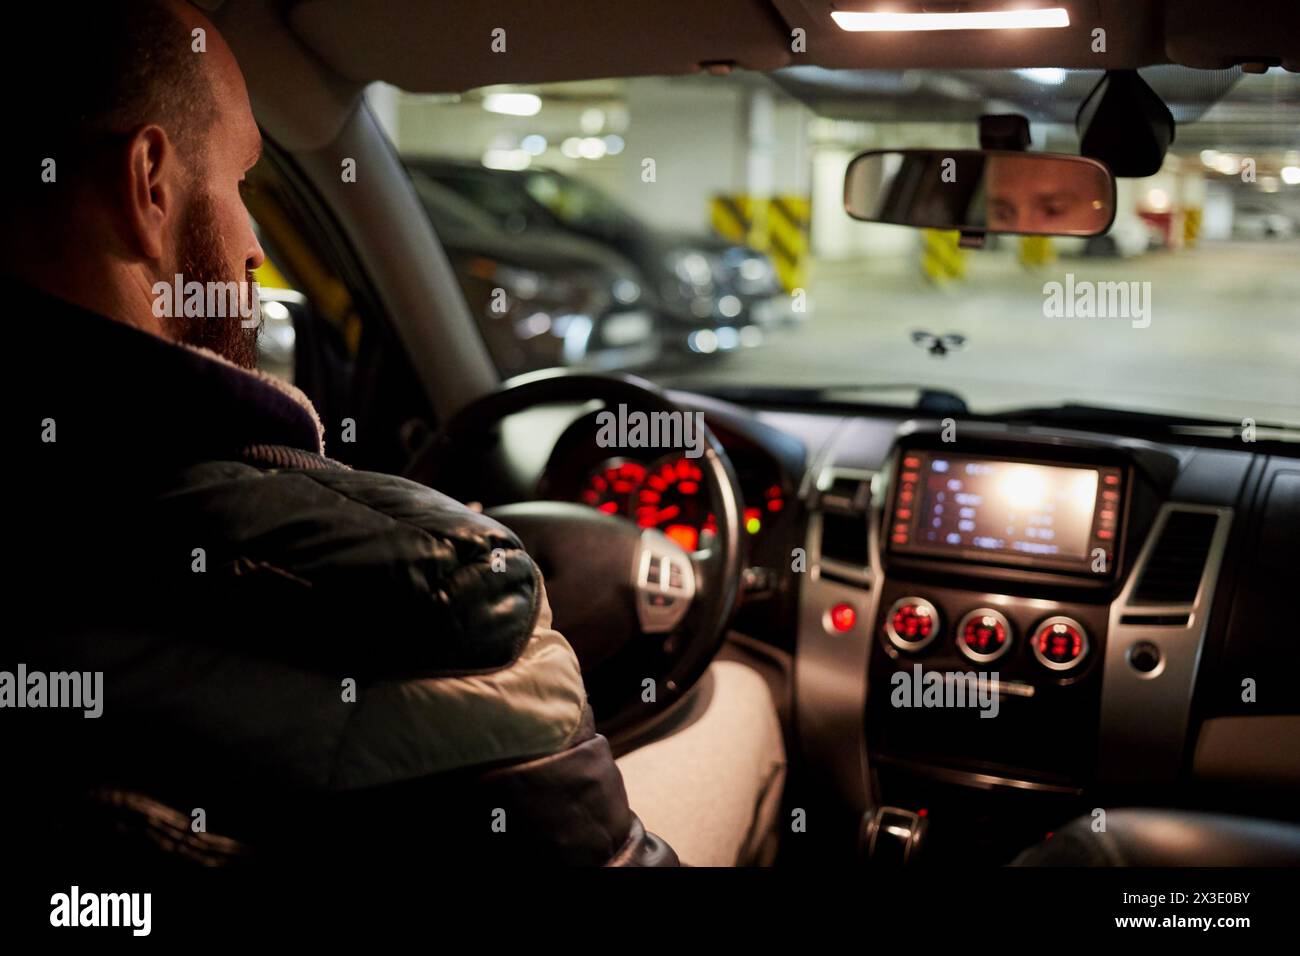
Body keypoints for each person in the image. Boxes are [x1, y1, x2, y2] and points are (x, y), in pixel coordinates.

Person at [3, 0, 782, 868]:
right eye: (241, 183)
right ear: (150, 183)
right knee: (745, 695)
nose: (257, 245)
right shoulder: (451, 599)